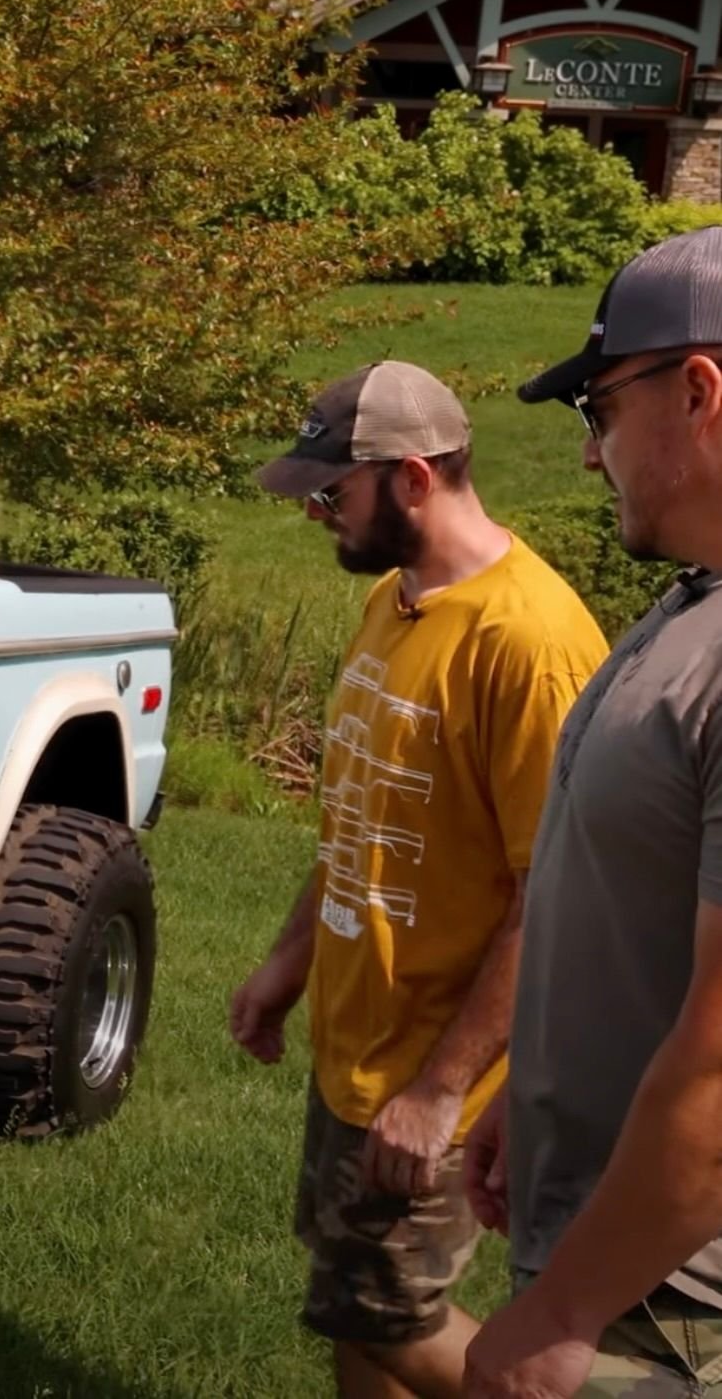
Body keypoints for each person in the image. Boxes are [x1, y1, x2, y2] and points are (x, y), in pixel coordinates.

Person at [231, 359, 609, 1397]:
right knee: (354, 1311)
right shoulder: (397, 603)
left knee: (389, 1316)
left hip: (440, 1075)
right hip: (356, 1052)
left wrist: (440, 1091)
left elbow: (556, 898)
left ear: (408, 479)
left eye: (329, 492)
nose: (314, 514)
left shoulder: (525, 642)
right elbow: (362, 812)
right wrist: (285, 963)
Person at [463, 225, 722, 1399]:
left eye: (600, 409)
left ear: (699, 389)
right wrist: (533, 1094)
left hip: (666, 1301)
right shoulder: (687, 608)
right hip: (606, 1247)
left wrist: (566, 1308)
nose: (585, 457)